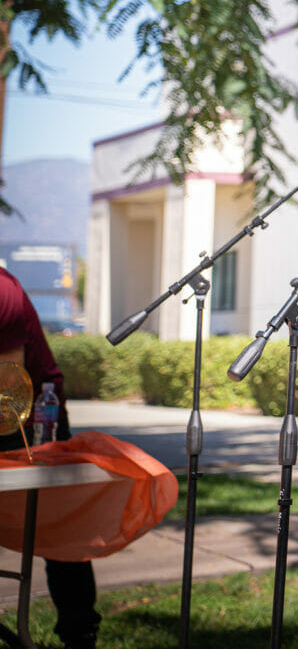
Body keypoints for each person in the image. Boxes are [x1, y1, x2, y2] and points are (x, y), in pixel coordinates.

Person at [0, 266, 101, 649]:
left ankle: (80, 634)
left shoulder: (2, 290)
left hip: (35, 414)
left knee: (60, 532)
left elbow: (8, 391)